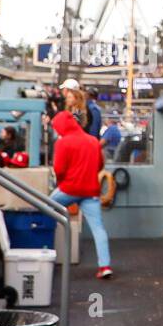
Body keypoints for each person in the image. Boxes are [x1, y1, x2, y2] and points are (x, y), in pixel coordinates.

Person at [50, 109, 113, 279]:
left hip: (69, 189)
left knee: (44, 208)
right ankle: (104, 266)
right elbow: (100, 165)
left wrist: (62, 182)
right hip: (91, 190)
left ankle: (42, 252)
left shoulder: (63, 143)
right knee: (98, 229)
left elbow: (59, 169)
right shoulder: (93, 141)